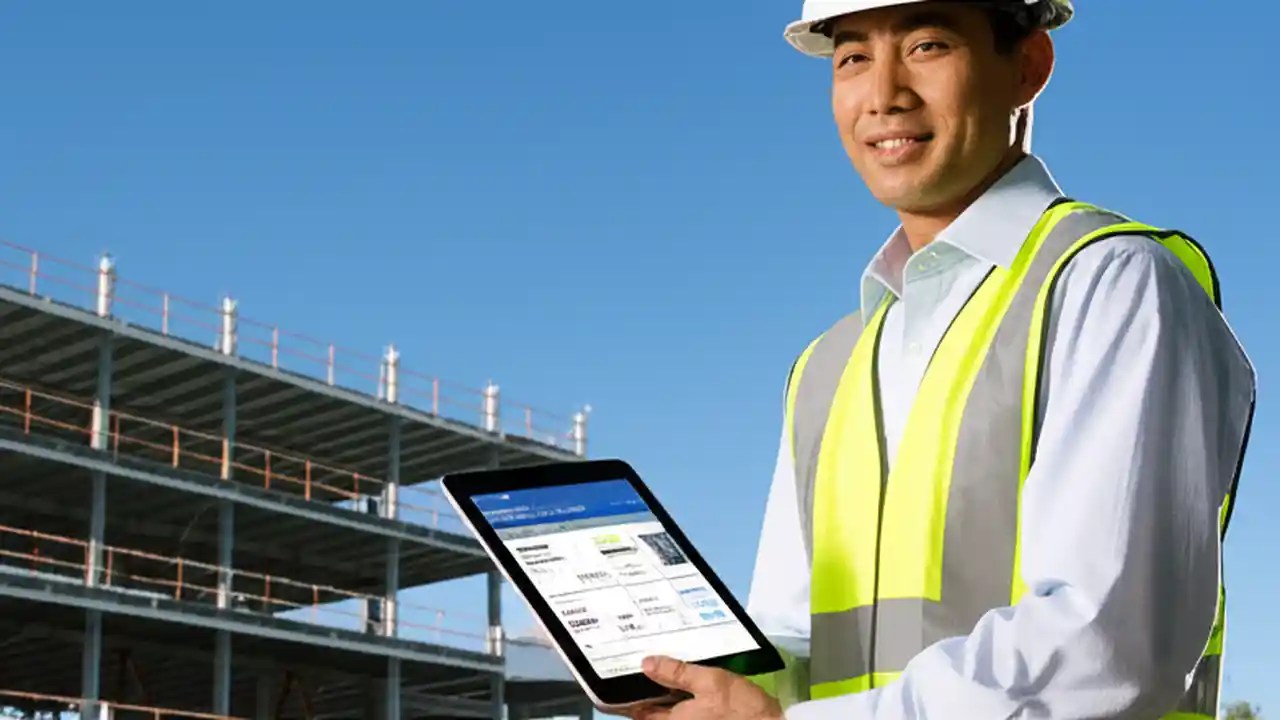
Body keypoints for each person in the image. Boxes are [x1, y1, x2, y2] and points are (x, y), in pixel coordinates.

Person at [624, 1, 1257, 719]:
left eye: (927, 45)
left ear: (1028, 66)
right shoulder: (827, 367)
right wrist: (703, 686)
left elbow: (1102, 648)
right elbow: (800, 642)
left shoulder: (1109, 284)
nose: (884, 95)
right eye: (853, 57)